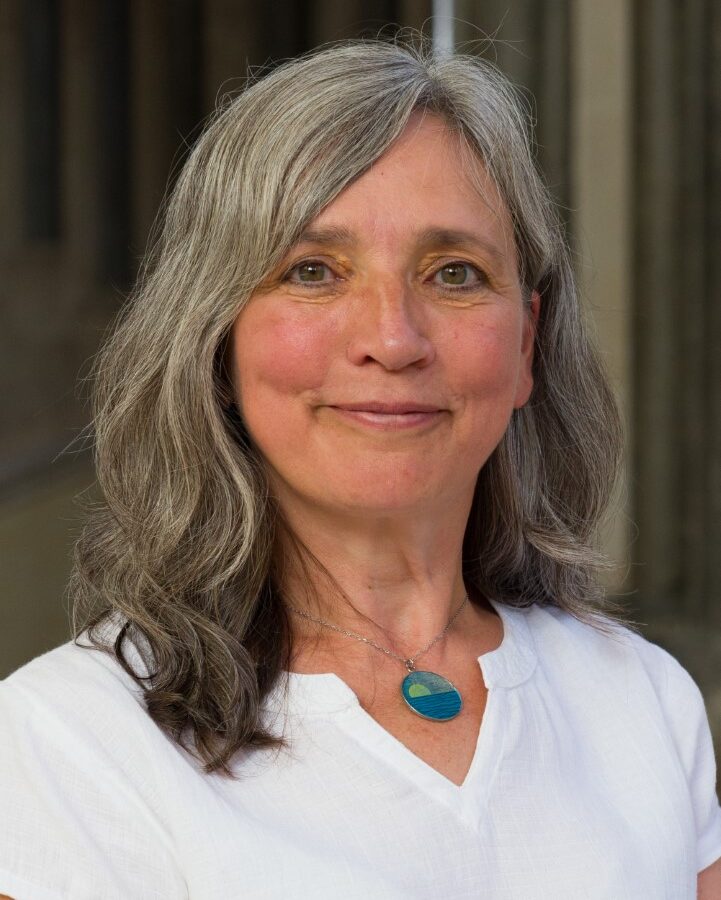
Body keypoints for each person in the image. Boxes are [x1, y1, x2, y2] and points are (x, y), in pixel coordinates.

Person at [1, 37, 720, 900]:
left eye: (453, 273)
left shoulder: (638, 698)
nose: (391, 338)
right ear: (215, 339)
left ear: (525, 341)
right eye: (313, 272)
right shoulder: (67, 741)